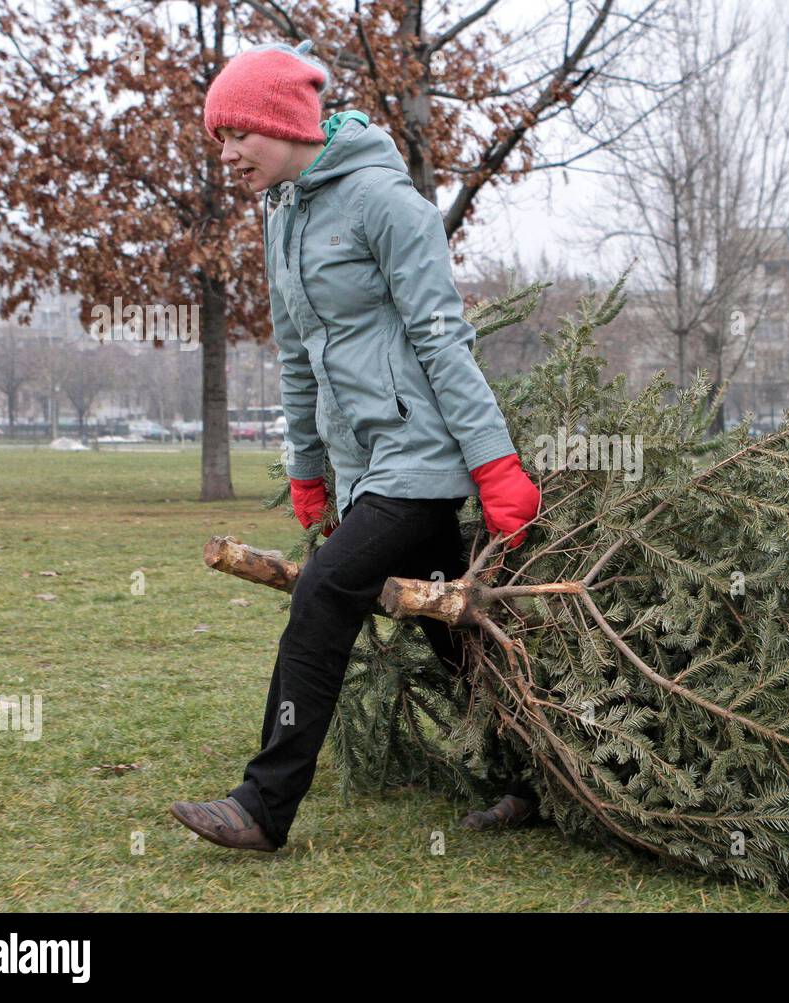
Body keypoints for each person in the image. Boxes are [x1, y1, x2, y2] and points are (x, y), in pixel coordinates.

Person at [170, 39, 541, 853]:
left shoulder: (385, 203)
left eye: (238, 135)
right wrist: (307, 465)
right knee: (453, 626)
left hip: (421, 456)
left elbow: (443, 337)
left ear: (285, 122)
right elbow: (297, 354)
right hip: (366, 464)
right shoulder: (283, 213)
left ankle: (263, 805)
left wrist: (494, 461)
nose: (226, 155)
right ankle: (534, 770)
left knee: (327, 592)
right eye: (217, 139)